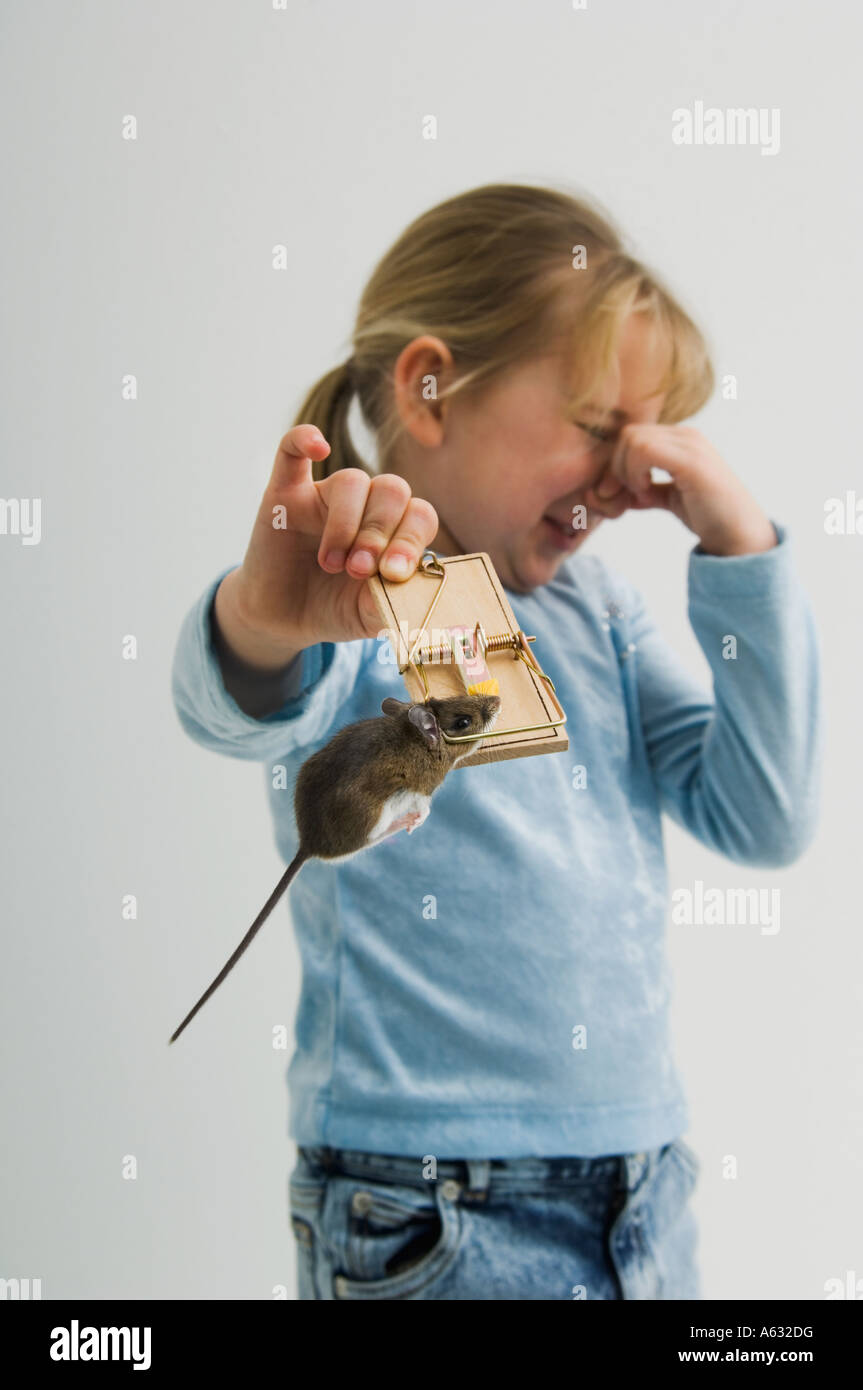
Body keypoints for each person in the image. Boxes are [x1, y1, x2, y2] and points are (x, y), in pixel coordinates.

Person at [171, 183, 821, 1299]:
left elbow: (760, 817)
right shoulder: (350, 599)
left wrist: (741, 552)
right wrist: (260, 623)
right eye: (597, 430)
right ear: (431, 388)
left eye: (647, 442)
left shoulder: (599, 618)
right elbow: (237, 704)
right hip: (431, 1206)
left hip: (642, 1187)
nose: (625, 482)